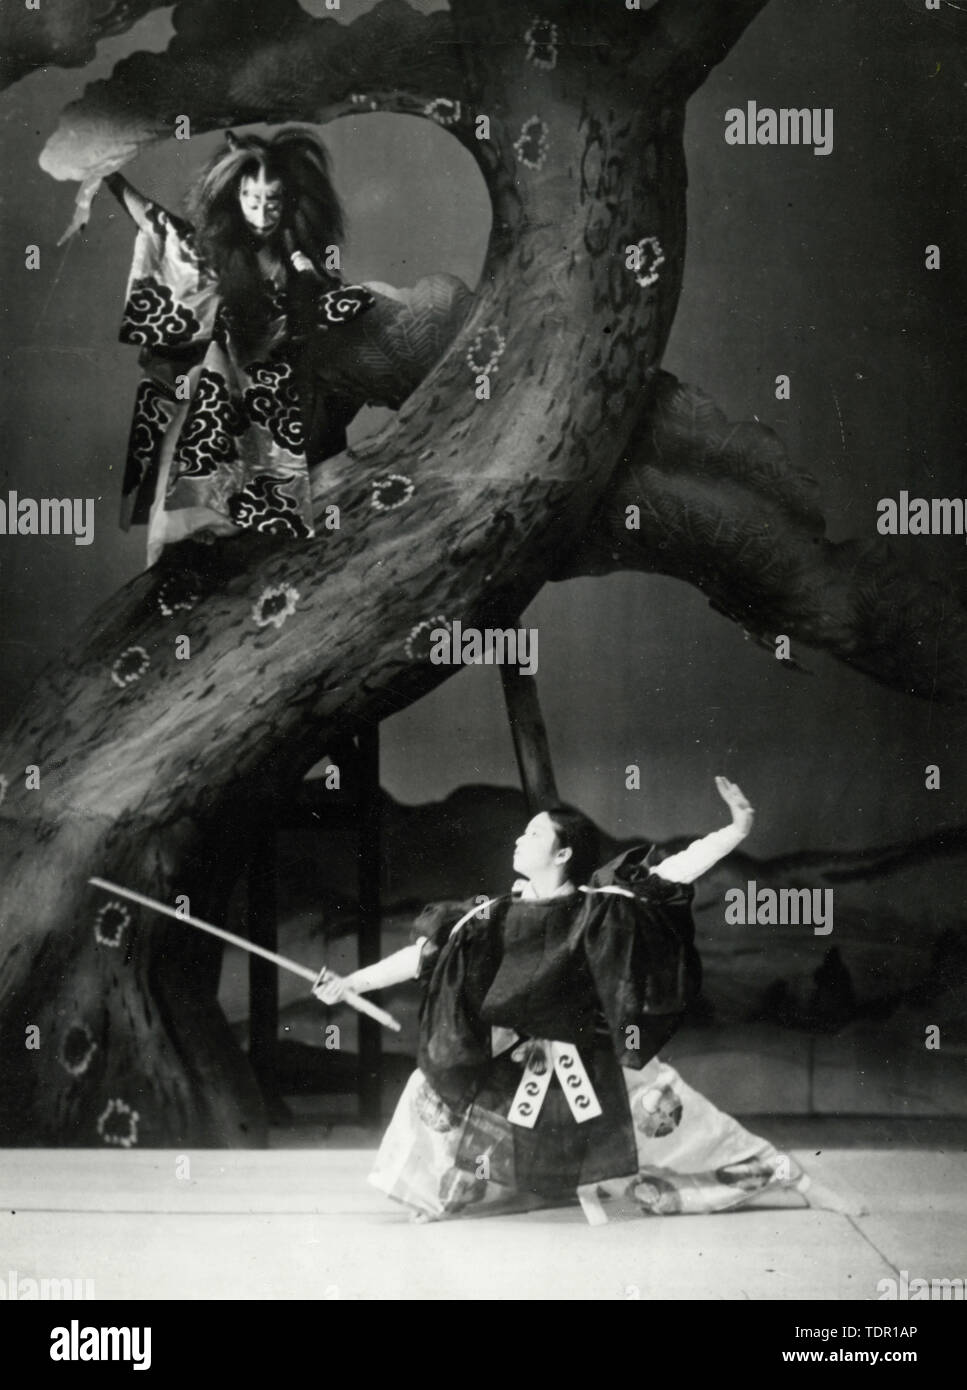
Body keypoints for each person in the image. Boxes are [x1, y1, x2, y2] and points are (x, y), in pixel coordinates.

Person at [318, 777, 856, 1224]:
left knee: (680, 1121)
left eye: (532, 834)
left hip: (590, 1054)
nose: (518, 841)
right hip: (514, 1055)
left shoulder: (600, 907)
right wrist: (350, 984)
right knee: (434, 1088)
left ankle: (795, 1177)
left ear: (564, 852)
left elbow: (672, 871)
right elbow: (422, 956)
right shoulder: (488, 916)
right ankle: (438, 1199)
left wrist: (734, 831)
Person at [102, 127, 472, 564]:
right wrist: (110, 177)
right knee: (205, 401)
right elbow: (154, 221)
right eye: (251, 200)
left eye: (272, 202)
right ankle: (202, 529)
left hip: (288, 388)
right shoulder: (214, 248)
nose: (261, 213)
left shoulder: (296, 253)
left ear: (288, 201)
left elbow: (314, 302)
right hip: (228, 386)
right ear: (234, 198)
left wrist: (306, 285)